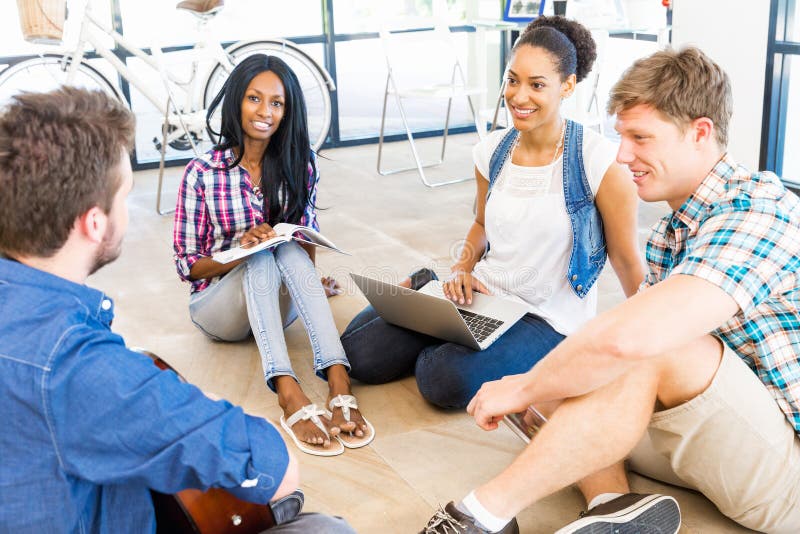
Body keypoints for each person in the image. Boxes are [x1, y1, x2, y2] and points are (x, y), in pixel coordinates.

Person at [420, 46, 800, 534]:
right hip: (716, 435)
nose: (622, 156)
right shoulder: (673, 232)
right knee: (562, 383)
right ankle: (611, 506)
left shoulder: (760, 209)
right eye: (621, 137)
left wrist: (522, 385)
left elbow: (638, 339)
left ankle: (478, 515)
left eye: (640, 137)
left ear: (700, 133)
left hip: (785, 473)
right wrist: (542, 387)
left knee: (649, 342)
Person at [0, 87, 355, 533]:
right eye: (123, 197)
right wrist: (196, 404)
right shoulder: (76, 366)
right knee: (325, 528)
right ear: (95, 223)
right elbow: (275, 468)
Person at [341, 16, 644, 410]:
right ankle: (424, 289)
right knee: (358, 356)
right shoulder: (492, 151)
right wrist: (463, 270)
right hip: (485, 294)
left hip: (546, 319)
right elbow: (481, 224)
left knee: (441, 379)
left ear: (567, 86)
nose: (519, 96)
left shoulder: (598, 160)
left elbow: (624, 257)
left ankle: (430, 311)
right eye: (512, 80)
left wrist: (648, 341)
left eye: (537, 85)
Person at [173, 54, 373, 456]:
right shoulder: (202, 172)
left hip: (275, 308)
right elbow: (188, 265)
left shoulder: (302, 164)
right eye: (254, 98)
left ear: (287, 111)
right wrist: (240, 250)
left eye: (276, 103)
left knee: (286, 244)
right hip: (219, 310)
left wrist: (310, 285)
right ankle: (287, 389)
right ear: (236, 101)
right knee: (262, 255)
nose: (265, 111)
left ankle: (338, 379)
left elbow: (306, 238)